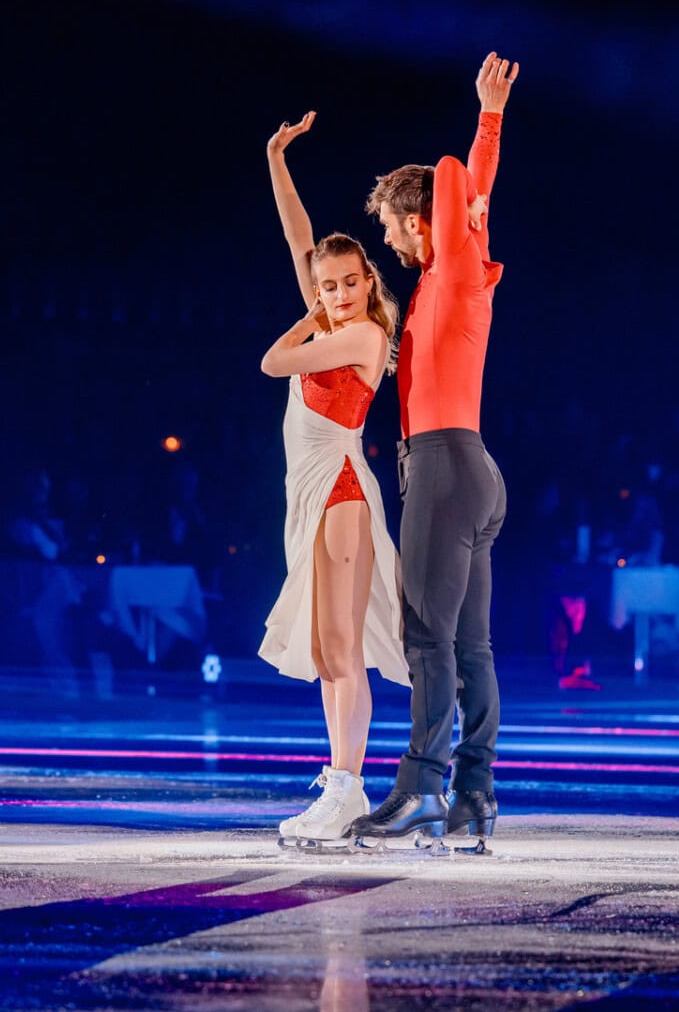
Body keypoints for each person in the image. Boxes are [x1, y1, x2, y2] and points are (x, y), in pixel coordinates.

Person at [352, 52, 517, 849]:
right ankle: (475, 793)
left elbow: (458, 176)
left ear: (422, 222)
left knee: (427, 635)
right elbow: (475, 196)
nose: (387, 239)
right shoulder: (450, 278)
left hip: (447, 469)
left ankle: (422, 784)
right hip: (475, 469)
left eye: (390, 225)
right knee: (469, 643)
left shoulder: (451, 268)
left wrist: (483, 118)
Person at [256, 109, 409, 845]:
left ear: (364, 282)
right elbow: (296, 234)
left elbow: (273, 363)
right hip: (313, 493)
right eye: (330, 284)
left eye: (348, 281)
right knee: (325, 651)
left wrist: (309, 313)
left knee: (342, 648)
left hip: (343, 493)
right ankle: (339, 781)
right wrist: (276, 157)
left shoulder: (362, 334)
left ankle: (348, 786)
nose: (338, 292)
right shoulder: (328, 318)